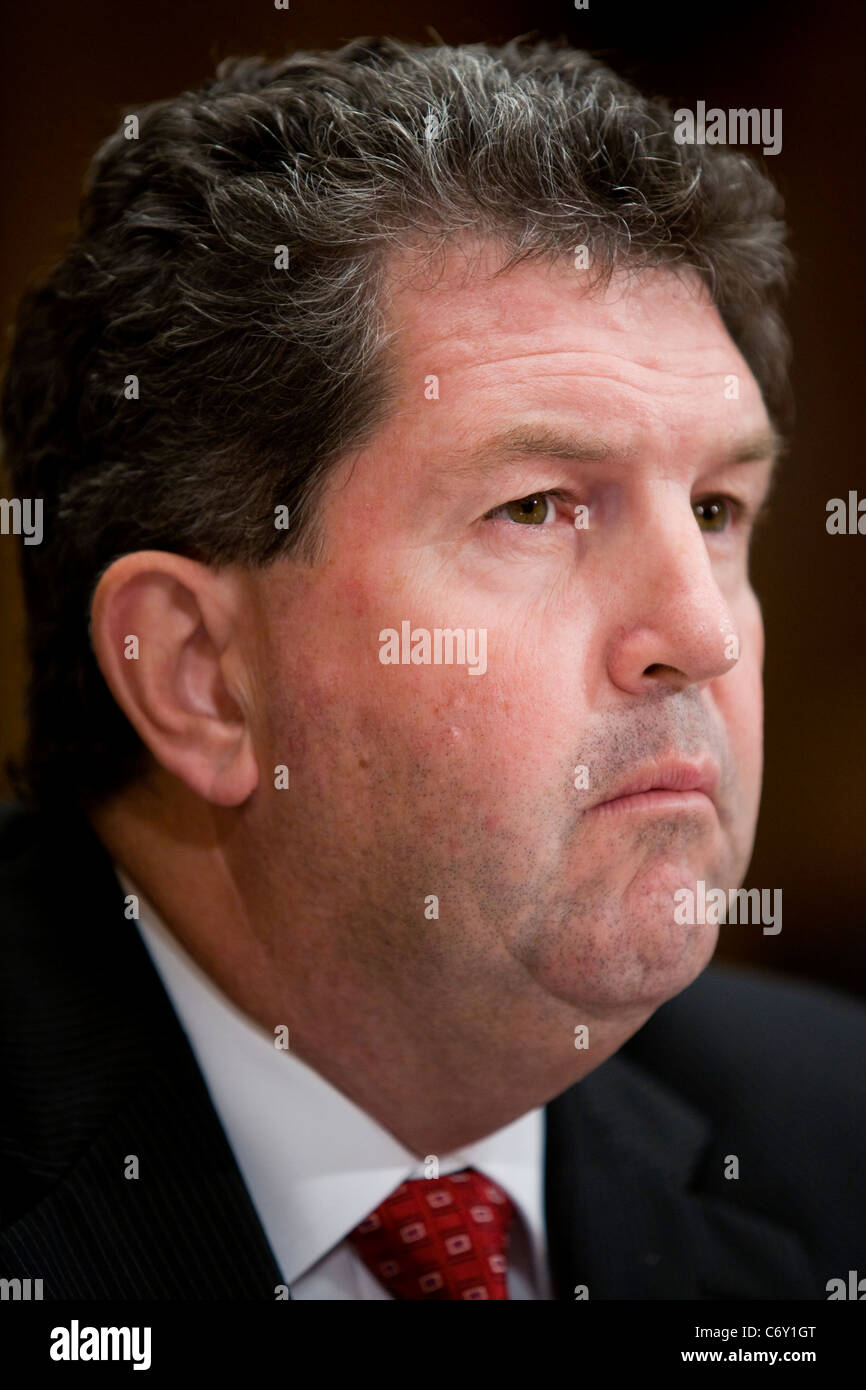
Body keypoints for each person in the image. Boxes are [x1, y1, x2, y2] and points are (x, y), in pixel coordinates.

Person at [0, 36, 863, 1301]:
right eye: (534, 507)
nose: (705, 635)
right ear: (202, 675)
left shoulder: (832, 1131)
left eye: (719, 510)